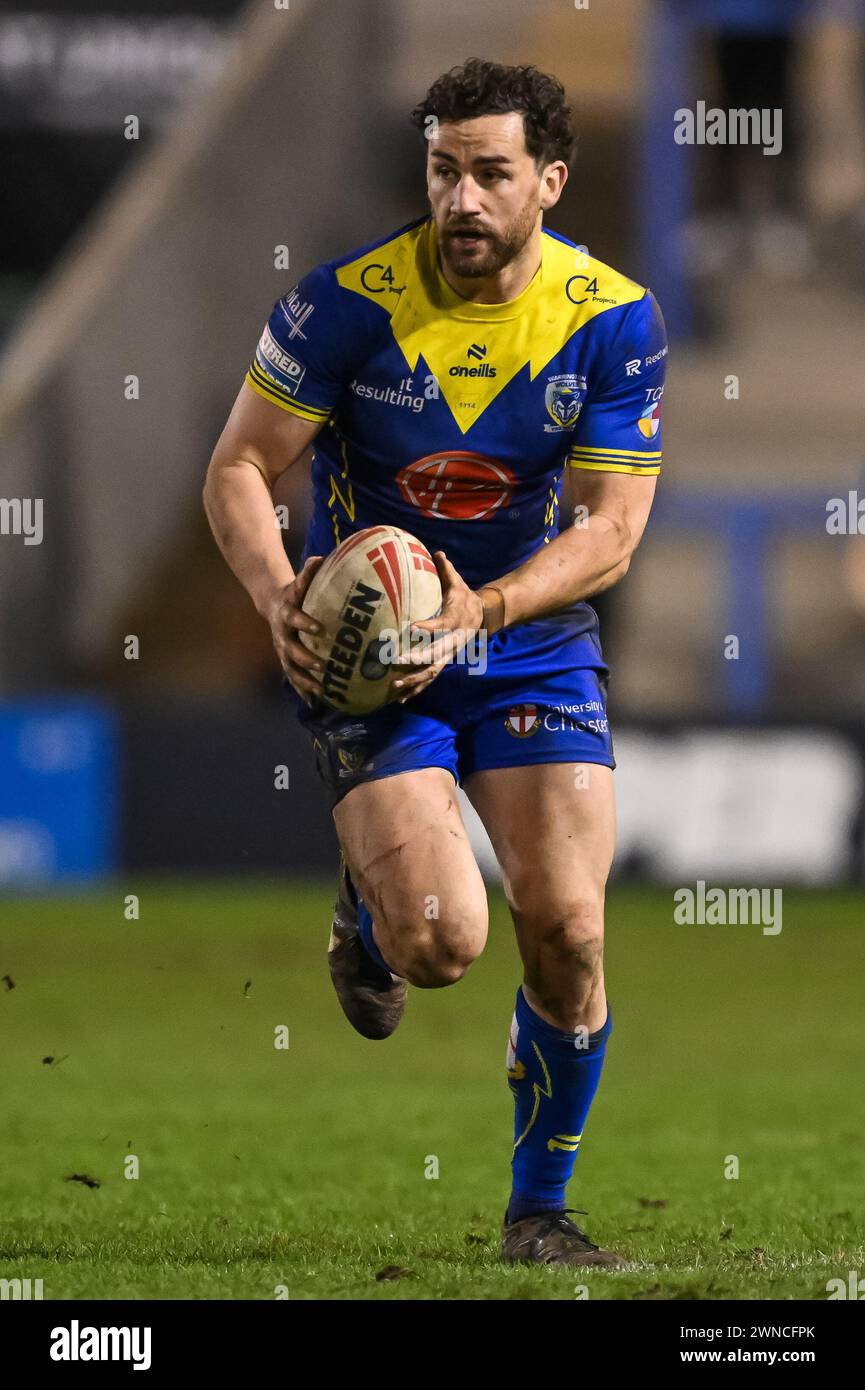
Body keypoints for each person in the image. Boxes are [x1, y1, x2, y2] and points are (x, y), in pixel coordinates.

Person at [204, 58, 667, 1267]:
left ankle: (538, 1212)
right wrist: (277, 596)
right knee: (440, 943)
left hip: (526, 639)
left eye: (491, 174)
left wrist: (490, 607)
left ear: (548, 183)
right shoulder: (342, 305)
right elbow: (240, 467)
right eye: (443, 170)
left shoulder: (612, 317)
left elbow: (610, 532)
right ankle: (370, 915)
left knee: (566, 928)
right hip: (371, 653)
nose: (461, 199)